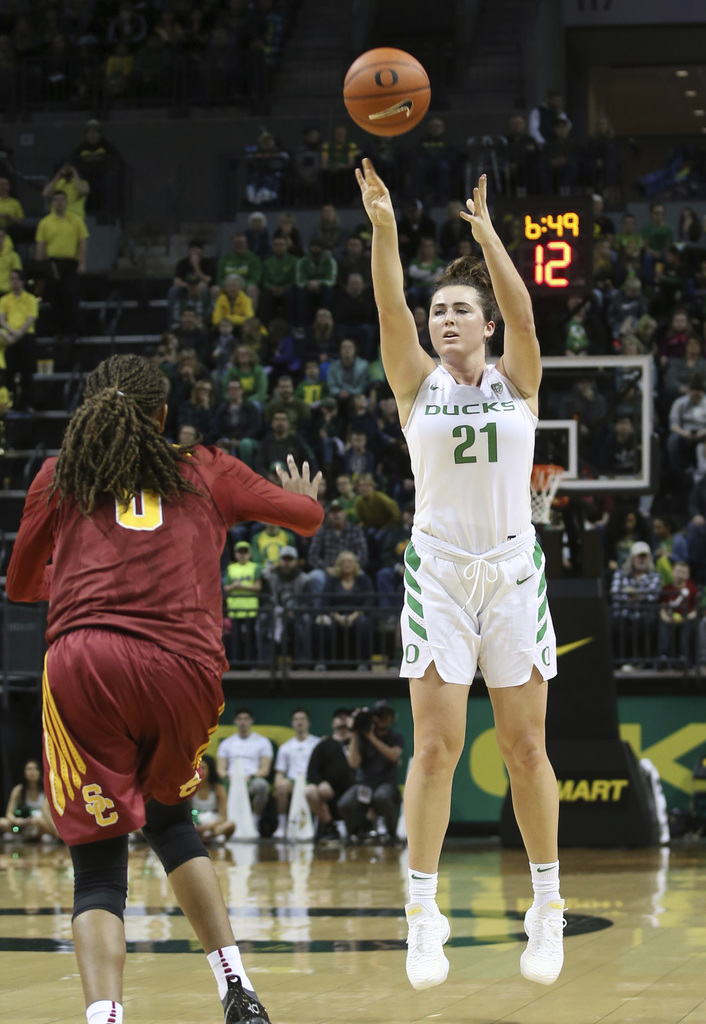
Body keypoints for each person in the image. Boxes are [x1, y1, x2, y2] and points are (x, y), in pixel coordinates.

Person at [6, 353, 323, 1024]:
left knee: (97, 869)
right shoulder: (205, 467)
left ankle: (106, 1019)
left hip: (85, 663)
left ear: (88, 410)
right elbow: (305, 518)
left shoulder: (57, 477)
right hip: (183, 667)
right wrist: (309, 498)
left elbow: (20, 587)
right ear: (163, 416)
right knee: (175, 825)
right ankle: (237, 989)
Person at [356, 159, 562, 990]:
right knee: (436, 748)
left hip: (513, 575)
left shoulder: (519, 383)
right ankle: (421, 912)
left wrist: (487, 238)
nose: (445, 320)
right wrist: (384, 232)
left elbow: (523, 308)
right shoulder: (415, 387)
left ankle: (545, 905)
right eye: (438, 310)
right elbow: (386, 308)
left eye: (457, 310)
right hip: (438, 576)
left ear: (483, 325)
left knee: (525, 748)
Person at [338, 701, 404, 843]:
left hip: (386, 784)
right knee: (345, 802)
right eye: (380, 715)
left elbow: (394, 756)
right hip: (364, 785)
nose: (383, 719)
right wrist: (355, 732)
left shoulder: (395, 737)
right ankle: (354, 834)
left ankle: (391, 834)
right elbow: (353, 763)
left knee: (382, 796)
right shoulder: (360, 737)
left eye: (387, 716)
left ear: (392, 718)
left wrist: (371, 737)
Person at [216, 708, 274, 830]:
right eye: (240, 719)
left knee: (262, 786)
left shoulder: (263, 742)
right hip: (230, 780)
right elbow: (220, 769)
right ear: (235, 721)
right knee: (216, 787)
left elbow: (265, 769)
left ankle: (255, 820)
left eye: (246, 719)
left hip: (251, 779)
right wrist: (228, 776)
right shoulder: (226, 743)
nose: (243, 722)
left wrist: (251, 776)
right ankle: (221, 821)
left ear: (251, 721)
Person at [305, 709, 354, 844]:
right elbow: (312, 771)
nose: (342, 720)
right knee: (310, 790)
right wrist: (321, 782)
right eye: (338, 717)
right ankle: (330, 826)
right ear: (332, 723)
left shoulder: (356, 742)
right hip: (329, 791)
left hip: (353, 790)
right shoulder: (323, 744)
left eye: (346, 717)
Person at [272, 709, 320, 839]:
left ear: (308, 723)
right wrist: (279, 782)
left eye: (303, 719)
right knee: (281, 787)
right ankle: (282, 826)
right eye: (296, 719)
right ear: (292, 723)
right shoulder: (285, 747)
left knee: (314, 790)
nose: (300, 722)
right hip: (292, 781)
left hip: (310, 781)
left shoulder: (317, 743)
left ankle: (317, 825)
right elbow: (279, 773)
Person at [0, 757, 59, 841]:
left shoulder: (46, 789)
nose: (32, 772)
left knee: (39, 821)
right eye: (29, 769)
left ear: (40, 772)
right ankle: (24, 836)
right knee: (2, 822)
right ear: (24, 772)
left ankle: (56, 835)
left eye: (36, 769)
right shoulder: (19, 790)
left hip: (41, 824)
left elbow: (46, 811)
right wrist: (17, 820)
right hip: (24, 824)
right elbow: (9, 813)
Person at [189, 754, 235, 843]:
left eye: (203, 768)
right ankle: (201, 836)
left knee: (230, 825)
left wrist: (209, 826)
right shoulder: (189, 788)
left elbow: (223, 816)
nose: (199, 771)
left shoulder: (218, 789)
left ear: (211, 770)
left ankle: (209, 836)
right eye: (197, 767)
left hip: (213, 824)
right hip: (195, 822)